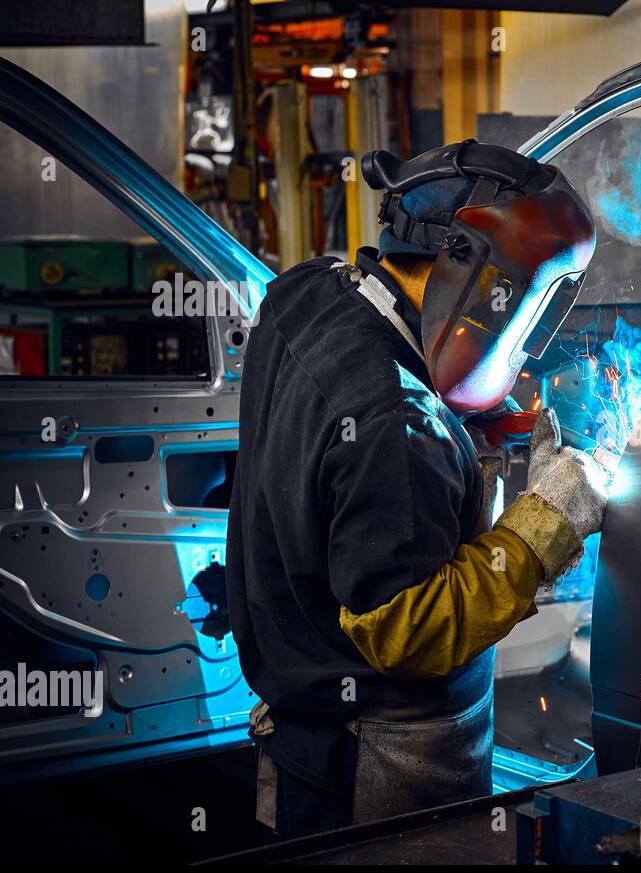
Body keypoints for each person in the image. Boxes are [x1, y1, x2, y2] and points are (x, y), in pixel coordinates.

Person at [226, 139, 607, 837]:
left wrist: (470, 429)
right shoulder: (394, 423)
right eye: (517, 300)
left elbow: (331, 454)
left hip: (303, 729)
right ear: (467, 271)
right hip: (378, 769)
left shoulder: (304, 293)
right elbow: (409, 631)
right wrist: (550, 520)